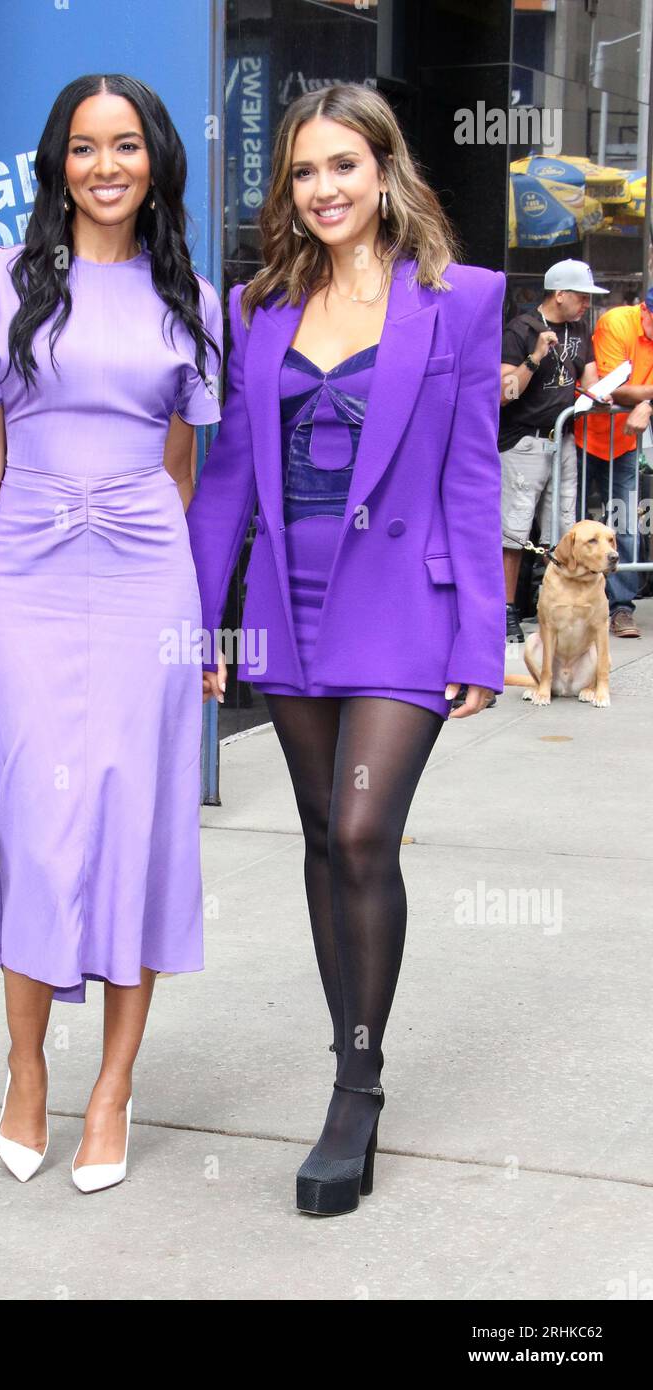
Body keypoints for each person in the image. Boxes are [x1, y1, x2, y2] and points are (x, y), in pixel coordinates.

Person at [186, 83, 505, 1217]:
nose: (322, 190)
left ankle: (354, 1089)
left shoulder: (458, 301)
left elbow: (471, 478)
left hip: (400, 601)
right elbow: (225, 479)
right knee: (323, 836)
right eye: (303, 172)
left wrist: (483, 631)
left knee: (367, 828)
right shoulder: (255, 306)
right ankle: (352, 1051)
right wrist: (199, 623)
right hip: (286, 599)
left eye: (343, 167)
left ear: (385, 173)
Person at [0, 76, 222, 1191]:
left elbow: (184, 467)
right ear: (55, 161)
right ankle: (25, 1068)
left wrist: (193, 625)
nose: (105, 166)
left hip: (144, 584)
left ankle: (112, 1088)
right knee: (34, 822)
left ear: (156, 159)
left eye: (126, 146)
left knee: (134, 824)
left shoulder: (193, 297)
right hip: (26, 579)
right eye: (81, 147)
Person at [498, 259, 607, 642]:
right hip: (524, 440)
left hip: (563, 437)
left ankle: (551, 605)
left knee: (561, 530)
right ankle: (506, 612)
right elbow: (502, 394)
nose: (585, 304)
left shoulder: (580, 329)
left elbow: (588, 378)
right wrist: (535, 357)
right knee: (513, 530)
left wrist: (600, 391)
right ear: (559, 294)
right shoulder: (520, 330)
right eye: (580, 296)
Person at [573, 285, 653, 638]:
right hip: (586, 436)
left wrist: (646, 402)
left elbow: (633, 393)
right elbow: (610, 389)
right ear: (645, 312)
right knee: (577, 525)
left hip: (625, 443)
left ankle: (622, 608)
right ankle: (574, 601)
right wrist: (639, 398)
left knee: (626, 524)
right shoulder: (616, 323)